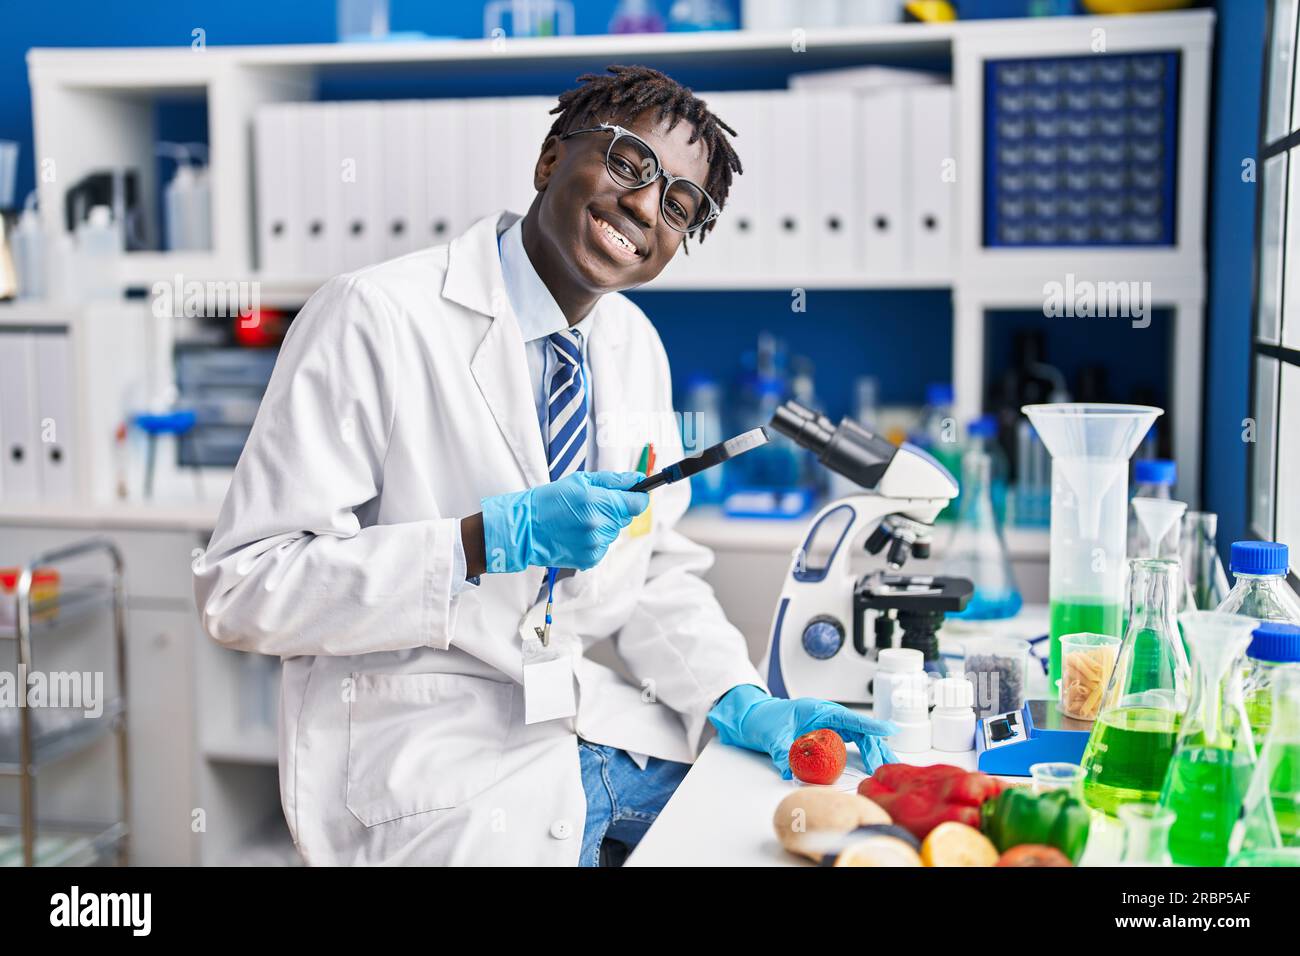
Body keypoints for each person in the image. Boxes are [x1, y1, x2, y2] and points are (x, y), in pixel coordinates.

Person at [194, 64, 896, 867]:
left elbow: (654, 572)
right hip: (426, 769)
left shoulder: (633, 344)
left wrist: (734, 696)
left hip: (590, 732)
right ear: (550, 159)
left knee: (817, 833)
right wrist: (478, 542)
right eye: (631, 163)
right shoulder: (375, 315)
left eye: (679, 204)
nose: (644, 206)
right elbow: (243, 588)